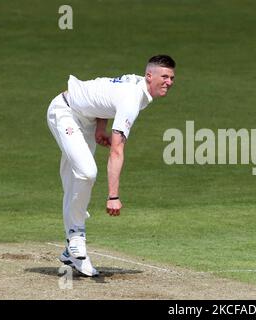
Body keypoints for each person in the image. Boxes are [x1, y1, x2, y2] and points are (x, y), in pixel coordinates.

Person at [47, 55, 176, 276]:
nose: (169, 82)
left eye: (172, 78)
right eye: (164, 76)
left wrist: (99, 129)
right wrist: (113, 196)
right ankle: (77, 235)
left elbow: (104, 96)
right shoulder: (132, 99)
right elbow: (117, 150)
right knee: (87, 173)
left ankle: (72, 252)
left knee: (77, 180)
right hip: (65, 112)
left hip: (86, 121)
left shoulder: (137, 86)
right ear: (149, 76)